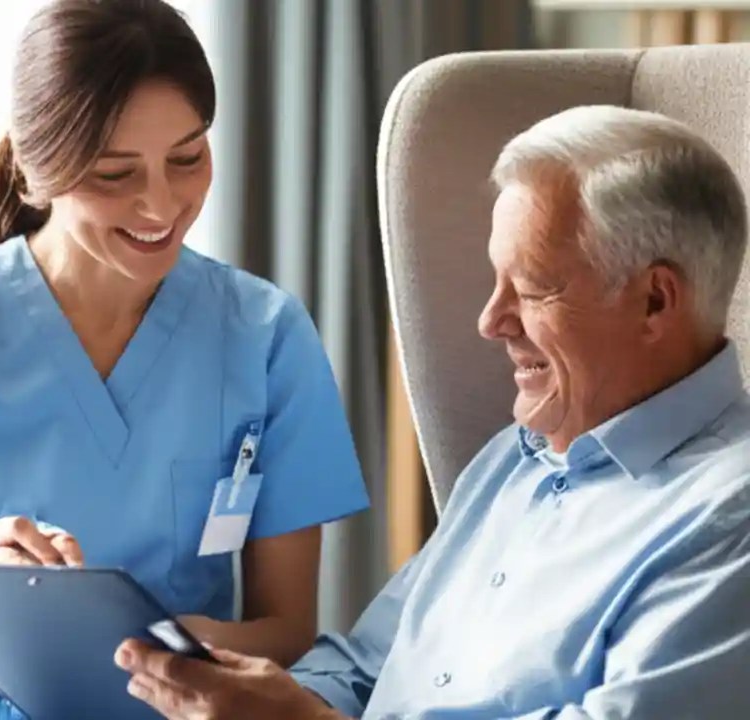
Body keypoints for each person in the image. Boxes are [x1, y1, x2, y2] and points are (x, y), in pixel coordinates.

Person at [116, 104, 750, 719]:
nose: (491, 321)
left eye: (531, 289)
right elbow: (366, 666)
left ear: (655, 302)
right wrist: (233, 690)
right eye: (495, 283)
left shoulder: (728, 514)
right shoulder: (514, 459)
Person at [0, 1, 370, 718]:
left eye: (186, 158)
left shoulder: (268, 336)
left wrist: (167, 648)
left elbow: (286, 628)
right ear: (37, 171)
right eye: (115, 173)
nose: (161, 205)